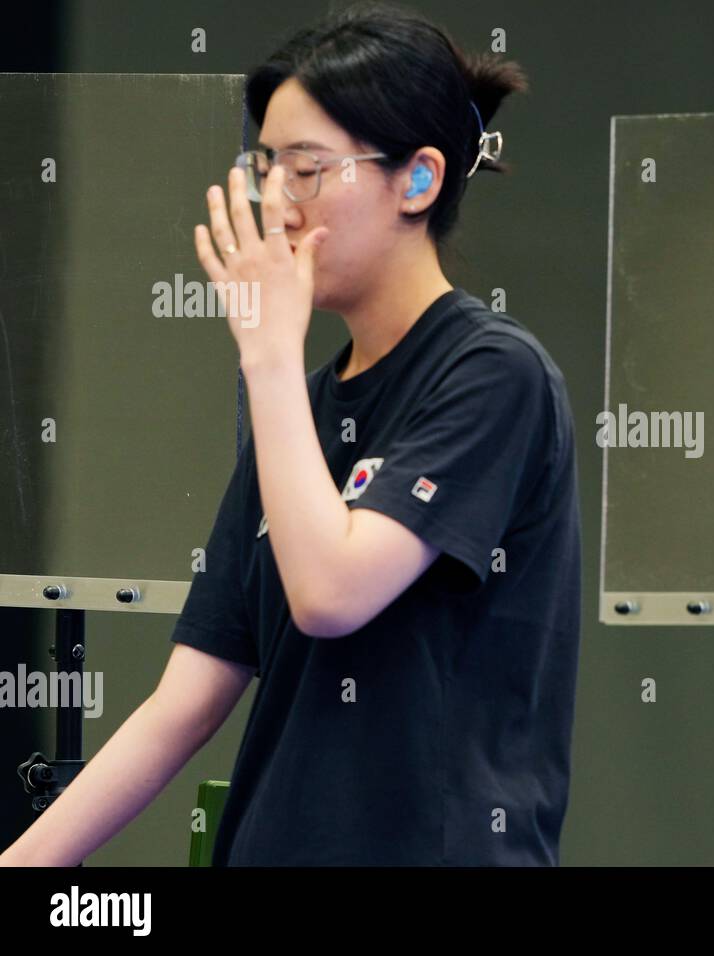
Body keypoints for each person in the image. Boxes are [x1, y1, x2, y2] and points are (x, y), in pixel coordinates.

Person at [0, 2, 581, 866]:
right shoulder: (305, 403)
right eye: (264, 165)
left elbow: (332, 593)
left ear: (417, 181)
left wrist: (266, 355)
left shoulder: (495, 373)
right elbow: (185, 700)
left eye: (307, 170)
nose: (274, 200)